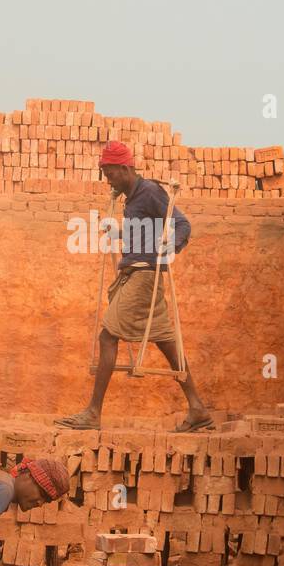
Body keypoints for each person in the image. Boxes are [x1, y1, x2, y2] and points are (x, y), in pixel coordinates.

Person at [57, 139, 212, 433]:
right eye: (104, 173)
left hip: (143, 277)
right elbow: (141, 235)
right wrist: (119, 232)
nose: (108, 179)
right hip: (136, 273)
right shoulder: (131, 198)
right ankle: (198, 408)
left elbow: (182, 223)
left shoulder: (151, 191)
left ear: (126, 168)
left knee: (107, 335)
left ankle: (93, 413)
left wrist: (172, 244)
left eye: (111, 172)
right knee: (166, 341)